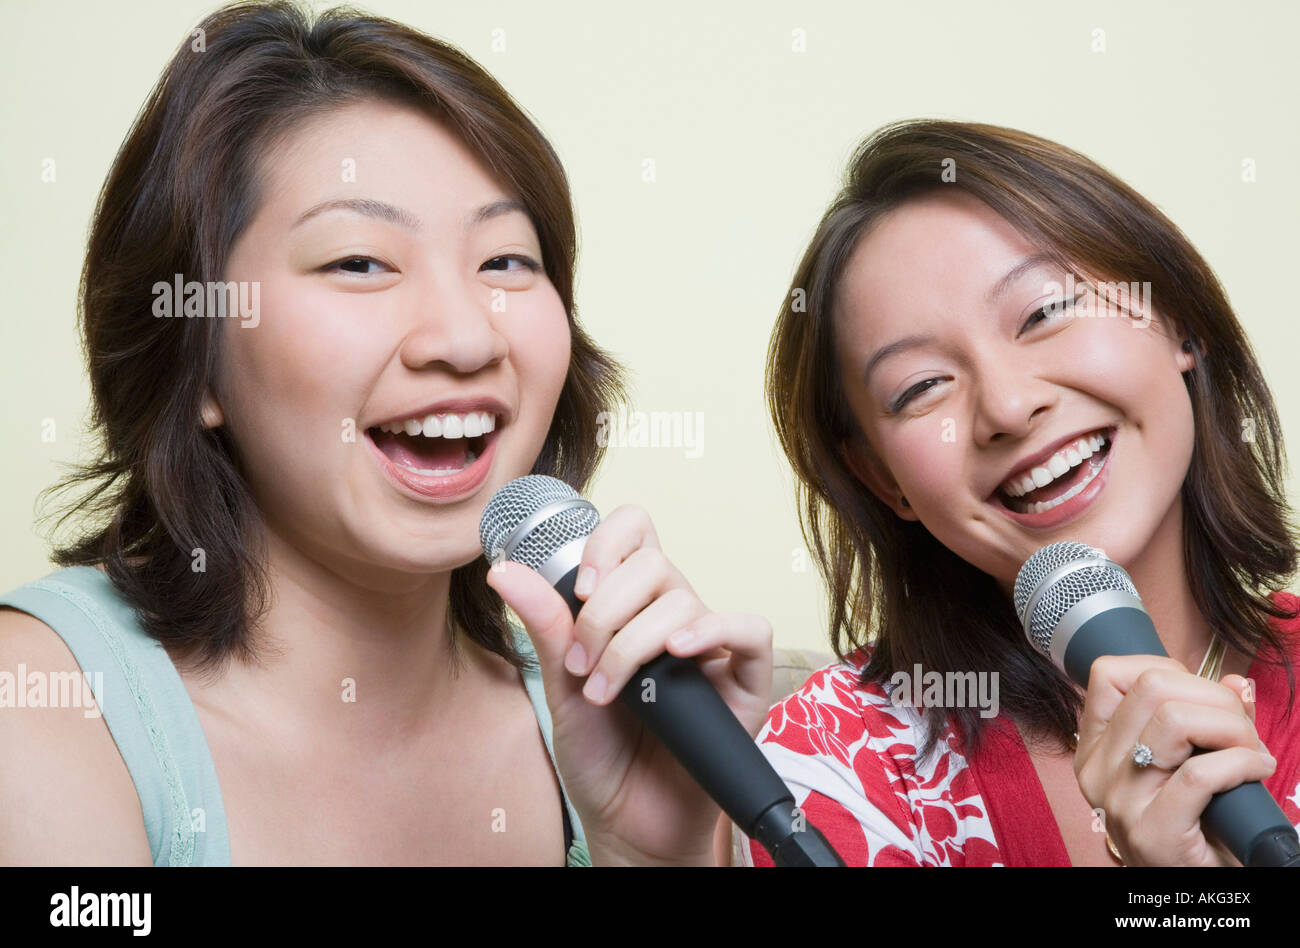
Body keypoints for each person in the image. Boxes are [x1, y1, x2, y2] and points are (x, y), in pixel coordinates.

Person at [0, 0, 773, 866]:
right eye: (359, 262)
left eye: (506, 261)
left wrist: (655, 857)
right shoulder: (43, 707)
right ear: (198, 356)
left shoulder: (606, 723)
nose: (466, 338)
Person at [746, 119, 1300, 866]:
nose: (1007, 407)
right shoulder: (830, 768)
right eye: (922, 387)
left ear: (1177, 319)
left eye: (1044, 313)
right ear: (884, 479)